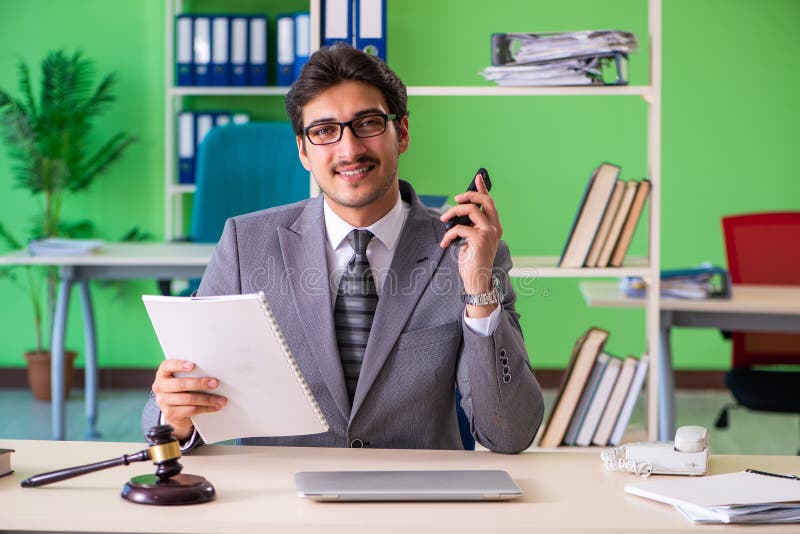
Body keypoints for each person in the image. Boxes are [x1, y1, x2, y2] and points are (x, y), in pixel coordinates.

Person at [143, 43, 544, 454]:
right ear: (303, 150)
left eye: (367, 123)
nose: (349, 149)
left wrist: (478, 289)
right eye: (324, 131)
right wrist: (174, 419)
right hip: (280, 499)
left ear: (401, 133)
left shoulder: (463, 250)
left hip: (416, 500)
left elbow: (508, 434)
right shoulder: (247, 246)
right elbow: (169, 411)